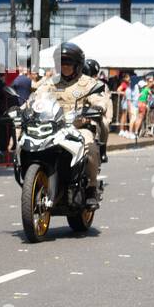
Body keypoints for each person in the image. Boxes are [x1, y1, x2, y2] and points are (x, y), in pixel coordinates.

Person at [34, 42, 105, 206]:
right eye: (61, 63)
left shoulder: (87, 83)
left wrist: (97, 108)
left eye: (68, 63)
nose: (64, 66)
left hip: (77, 128)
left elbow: (100, 100)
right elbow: (35, 98)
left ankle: (91, 188)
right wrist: (22, 109)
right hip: (51, 129)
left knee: (89, 146)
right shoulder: (50, 82)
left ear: (77, 65)